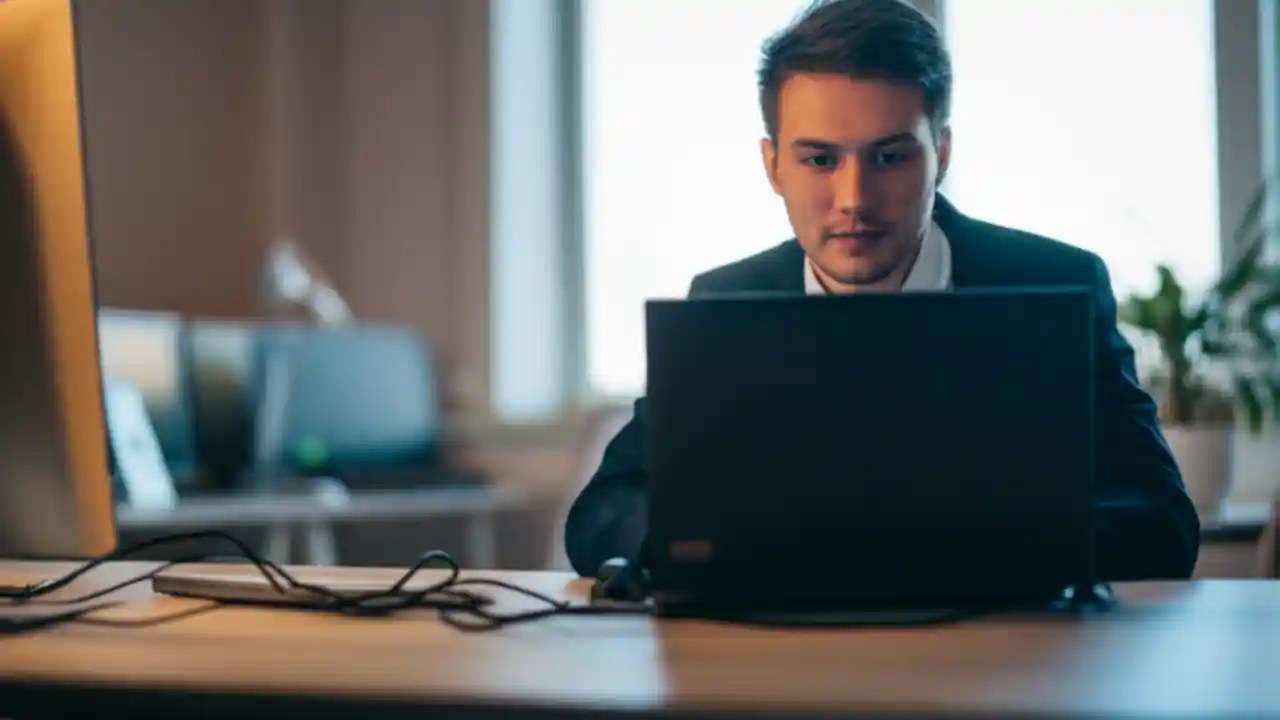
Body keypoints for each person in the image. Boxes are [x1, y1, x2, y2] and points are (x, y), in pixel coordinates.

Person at [565, 0, 1199, 581]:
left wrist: (981, 543)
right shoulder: (725, 301)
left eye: (891, 157)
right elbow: (602, 513)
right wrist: (717, 546)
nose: (855, 200)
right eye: (819, 160)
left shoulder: (1059, 282)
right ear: (772, 166)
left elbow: (1163, 520)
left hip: (1010, 662)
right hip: (782, 665)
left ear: (941, 153)